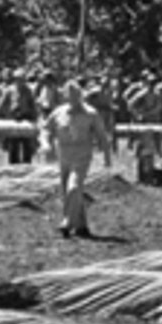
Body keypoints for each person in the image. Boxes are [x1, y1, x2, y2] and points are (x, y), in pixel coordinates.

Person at [43, 80, 113, 238]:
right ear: (65, 96)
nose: (73, 98)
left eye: (76, 94)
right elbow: (46, 129)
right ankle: (82, 226)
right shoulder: (59, 112)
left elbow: (102, 136)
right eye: (70, 95)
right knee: (68, 191)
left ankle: (67, 221)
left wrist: (107, 158)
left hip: (82, 155)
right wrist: (46, 144)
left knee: (73, 187)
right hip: (64, 155)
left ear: (81, 95)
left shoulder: (90, 113)